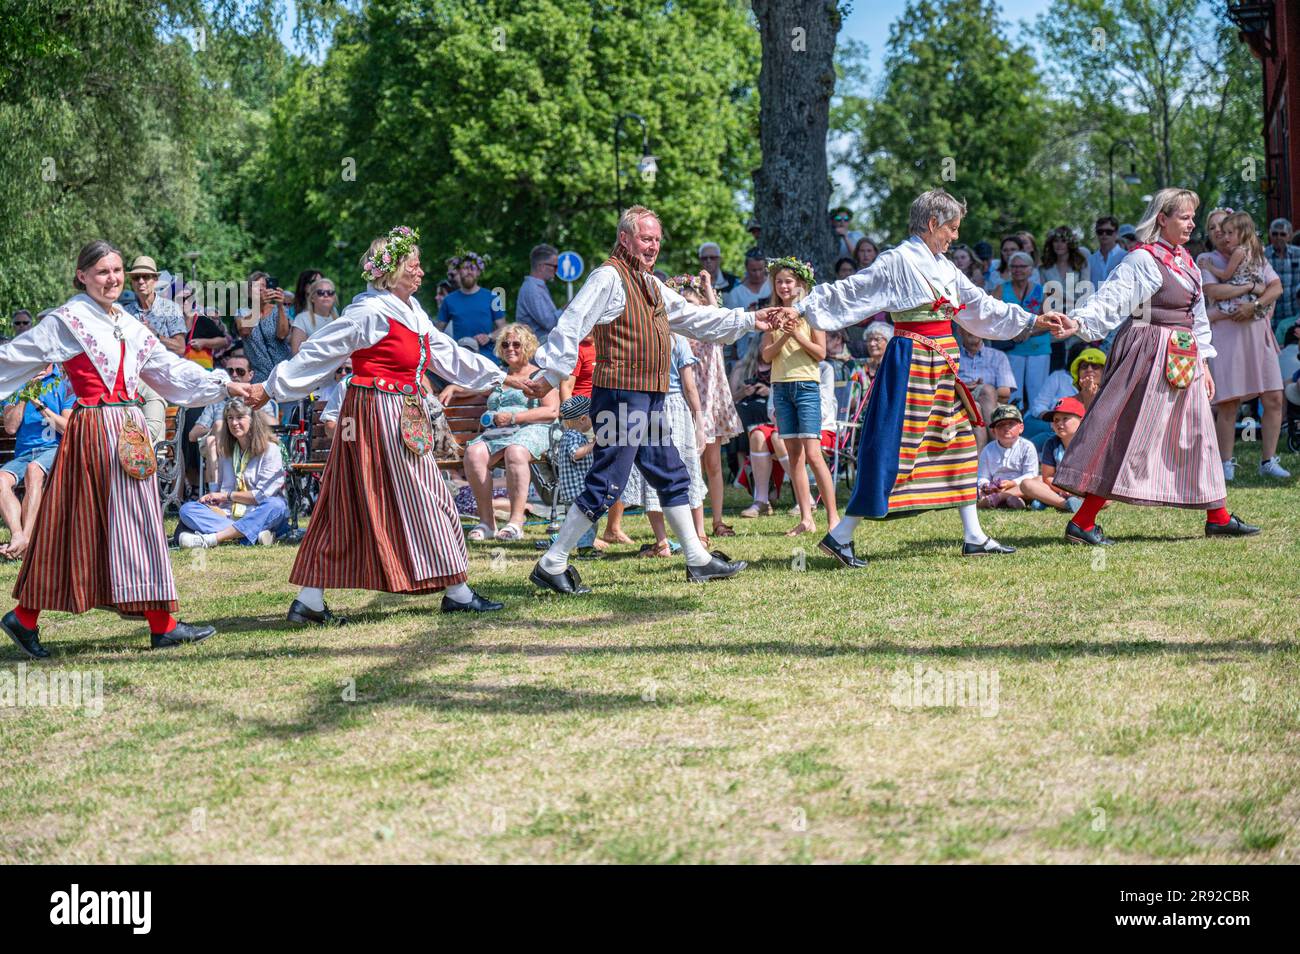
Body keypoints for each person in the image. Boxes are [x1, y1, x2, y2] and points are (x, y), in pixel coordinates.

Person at [760, 188, 1068, 568]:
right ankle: (841, 536)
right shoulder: (898, 260)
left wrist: (1032, 321)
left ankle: (974, 535)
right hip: (911, 365)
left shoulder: (944, 267)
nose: (955, 237)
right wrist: (802, 309)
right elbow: (851, 290)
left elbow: (980, 306)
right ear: (933, 223)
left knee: (959, 444)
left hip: (940, 368)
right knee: (892, 447)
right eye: (951, 228)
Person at [246, 226, 528, 620]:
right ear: (392, 270)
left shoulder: (410, 312)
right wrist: (270, 387)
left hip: (396, 411)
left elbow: (445, 354)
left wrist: (499, 376)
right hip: (376, 411)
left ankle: (310, 601)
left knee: (349, 503)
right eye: (414, 265)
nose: (421, 272)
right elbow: (319, 352)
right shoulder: (369, 311)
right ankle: (457, 591)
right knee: (427, 496)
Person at [0, 240, 242, 657]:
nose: (112, 279)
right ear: (82, 276)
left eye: (116, 271)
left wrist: (224, 383)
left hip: (128, 427)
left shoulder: (126, 321)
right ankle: (27, 618)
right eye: (102, 272)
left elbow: (168, 369)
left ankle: (158, 623)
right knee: (75, 529)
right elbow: (12, 356)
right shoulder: (68, 320)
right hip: (94, 429)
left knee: (137, 524)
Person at [524, 205, 768, 594]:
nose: (653, 246)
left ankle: (696, 558)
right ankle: (552, 563)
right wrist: (550, 374)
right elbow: (573, 321)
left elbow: (694, 318)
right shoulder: (609, 277)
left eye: (656, 239)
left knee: (671, 473)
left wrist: (751, 320)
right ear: (625, 238)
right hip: (621, 394)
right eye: (645, 238)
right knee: (607, 483)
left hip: (645, 397)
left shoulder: (652, 284)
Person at [1053, 188, 1260, 545]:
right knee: (1131, 433)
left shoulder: (1187, 262)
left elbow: (1196, 317)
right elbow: (1110, 300)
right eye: (1184, 217)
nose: (1192, 223)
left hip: (1183, 355)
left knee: (1199, 433)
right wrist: (1078, 322)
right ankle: (1083, 521)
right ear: (1161, 219)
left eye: (1193, 217)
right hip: (1147, 354)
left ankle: (1219, 516)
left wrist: (1205, 364)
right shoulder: (1143, 260)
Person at [1200, 209, 1289, 480]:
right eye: (1214, 228)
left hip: (1257, 333)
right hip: (1227, 337)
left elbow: (1275, 288)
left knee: (1274, 397)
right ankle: (1225, 463)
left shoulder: (1254, 254)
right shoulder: (1206, 260)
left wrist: (1255, 305)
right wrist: (1251, 286)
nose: (1219, 232)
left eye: (1224, 227)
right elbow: (1214, 291)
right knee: (1229, 402)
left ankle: (1269, 460)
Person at [455, 324, 560, 541]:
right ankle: (487, 522)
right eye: (505, 344)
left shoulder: (541, 374)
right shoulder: (500, 376)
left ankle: (515, 522)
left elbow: (551, 411)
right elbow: (473, 385)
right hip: (498, 433)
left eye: (516, 344)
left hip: (533, 428)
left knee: (515, 452)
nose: (510, 348)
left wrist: (513, 417)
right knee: (473, 452)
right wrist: (452, 387)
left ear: (528, 346)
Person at [760, 257, 839, 536]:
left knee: (814, 454)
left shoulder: (812, 312)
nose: (783, 286)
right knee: (794, 457)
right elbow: (766, 356)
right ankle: (806, 518)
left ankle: (833, 518)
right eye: (779, 281)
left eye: (788, 281)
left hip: (806, 386)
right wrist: (783, 336)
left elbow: (820, 353)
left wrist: (797, 335)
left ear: (800, 284)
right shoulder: (772, 316)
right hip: (781, 386)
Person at [620, 332, 708, 555]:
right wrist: (699, 422)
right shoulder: (678, 340)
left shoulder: (639, 338)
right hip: (676, 408)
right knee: (689, 469)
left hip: (648, 405)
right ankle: (700, 535)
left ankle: (662, 542)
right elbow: (690, 387)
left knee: (652, 471)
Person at [678, 273, 744, 538]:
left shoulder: (710, 330)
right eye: (684, 303)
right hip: (687, 401)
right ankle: (696, 527)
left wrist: (706, 288)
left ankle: (717, 520)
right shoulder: (678, 333)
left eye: (693, 303)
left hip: (711, 402)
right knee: (692, 466)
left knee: (714, 464)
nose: (688, 307)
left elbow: (718, 316)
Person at [176, 400, 289, 548]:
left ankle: (213, 538)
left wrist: (226, 496)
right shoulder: (227, 451)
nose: (234, 423)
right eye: (230, 418)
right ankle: (249, 534)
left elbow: (262, 496)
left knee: (276, 505)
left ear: (253, 420)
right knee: (188, 509)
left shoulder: (271, 450)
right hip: (230, 513)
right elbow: (222, 491)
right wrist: (214, 499)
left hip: (259, 510)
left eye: (240, 417)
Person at [0, 364, 75, 559]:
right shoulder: (15, 385)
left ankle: (26, 539)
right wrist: (26, 394)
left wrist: (40, 405)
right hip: (24, 454)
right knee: (1, 480)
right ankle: (18, 536)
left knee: (33, 470)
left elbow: (67, 427)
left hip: (53, 450)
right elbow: (10, 427)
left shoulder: (64, 384)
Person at [992, 252, 1050, 410]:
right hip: (1012, 348)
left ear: (1031, 270)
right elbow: (992, 318)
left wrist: (1028, 332)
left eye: (1023, 266)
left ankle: (1036, 427)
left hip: (1038, 348)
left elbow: (1049, 321)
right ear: (1009, 269)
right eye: (1014, 266)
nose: (1018, 270)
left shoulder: (1041, 291)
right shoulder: (1000, 290)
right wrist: (1012, 332)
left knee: (1037, 395)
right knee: (1013, 394)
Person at [550, 395, 602, 557]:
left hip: (571, 490)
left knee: (572, 521)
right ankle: (585, 548)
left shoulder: (569, 435)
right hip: (578, 489)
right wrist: (593, 445)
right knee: (587, 521)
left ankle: (558, 540)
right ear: (582, 419)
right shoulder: (573, 436)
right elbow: (576, 454)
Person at [1025, 344, 1104, 446]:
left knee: (1052, 435)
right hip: (1046, 422)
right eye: (1084, 366)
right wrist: (1055, 422)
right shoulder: (1058, 377)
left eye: (1095, 366)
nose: (1089, 370)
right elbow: (1038, 406)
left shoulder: (1111, 391)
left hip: (1075, 434)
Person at [1020, 396, 1087, 512]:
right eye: (1056, 420)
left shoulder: (1090, 443)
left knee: (1106, 499)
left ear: (1081, 420)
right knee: (1026, 484)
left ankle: (1049, 500)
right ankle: (1066, 505)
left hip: (1083, 490)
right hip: (1059, 490)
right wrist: (1064, 490)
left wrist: (1076, 491)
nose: (1059, 423)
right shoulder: (1051, 443)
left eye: (1065, 419)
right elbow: (1048, 477)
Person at [956, 326, 1015, 450]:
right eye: (968, 326)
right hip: (959, 398)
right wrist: (963, 387)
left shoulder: (998, 356)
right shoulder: (953, 356)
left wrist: (982, 389)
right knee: (980, 399)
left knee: (981, 399)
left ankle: (979, 463)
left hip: (990, 402)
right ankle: (1000, 448)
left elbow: (1005, 393)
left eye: (976, 325)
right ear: (959, 331)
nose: (973, 330)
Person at [437, 250, 505, 355]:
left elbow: (503, 328)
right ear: (459, 272)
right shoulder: (449, 300)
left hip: (488, 360)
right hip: (462, 360)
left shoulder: (493, 297)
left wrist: (489, 337)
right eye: (465, 268)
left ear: (478, 272)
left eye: (473, 268)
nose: (469, 271)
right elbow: (437, 332)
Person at [975, 405, 1038, 509]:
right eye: (1000, 425)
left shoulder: (1027, 447)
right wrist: (987, 486)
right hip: (995, 488)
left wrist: (1012, 483)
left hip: (1019, 487)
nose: (1006, 427)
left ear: (1021, 427)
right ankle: (1003, 501)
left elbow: (1031, 474)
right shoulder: (988, 450)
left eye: (1011, 424)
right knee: (975, 489)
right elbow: (982, 476)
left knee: (1033, 484)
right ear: (993, 431)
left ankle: (1004, 500)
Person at [235, 271, 292, 382]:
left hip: (283, 375)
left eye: (264, 286)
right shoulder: (241, 312)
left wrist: (280, 305)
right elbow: (245, 331)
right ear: (249, 292)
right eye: (256, 286)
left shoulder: (280, 310)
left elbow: (282, 335)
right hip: (258, 376)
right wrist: (258, 305)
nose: (261, 289)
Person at [516, 244, 561, 343]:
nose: (556, 271)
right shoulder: (532, 289)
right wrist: (568, 306)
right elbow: (550, 323)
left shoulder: (537, 287)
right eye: (554, 266)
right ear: (541, 266)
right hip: (533, 352)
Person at [1265, 218, 1300, 343]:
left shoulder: (1298, 254)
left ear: (1289, 236)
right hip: (1271, 316)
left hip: (1294, 316)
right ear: (1270, 235)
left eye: (1283, 234)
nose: (1278, 237)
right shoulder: (1263, 256)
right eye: (1275, 234)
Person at [289, 275, 338, 354]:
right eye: (320, 292)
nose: (326, 295)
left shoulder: (339, 320)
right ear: (312, 298)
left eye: (330, 292)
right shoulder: (301, 319)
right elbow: (296, 353)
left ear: (334, 297)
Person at [1089, 216, 1126, 287]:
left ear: (1116, 233)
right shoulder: (1090, 260)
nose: (1104, 234)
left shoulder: (1125, 257)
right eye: (1100, 232)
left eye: (1109, 232)